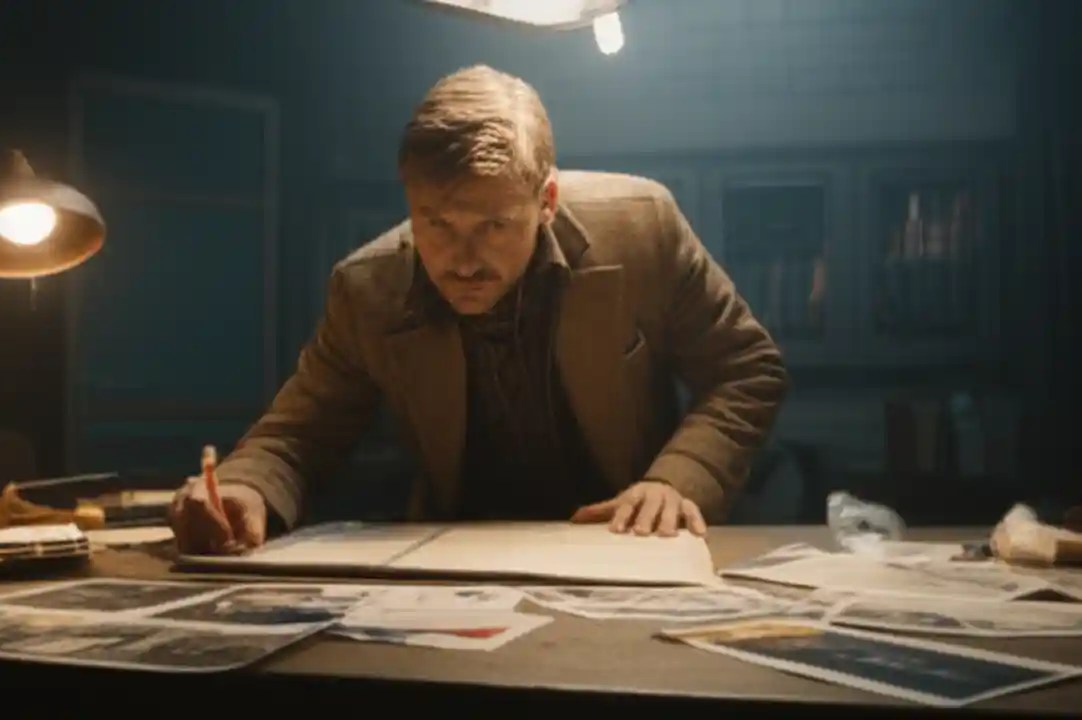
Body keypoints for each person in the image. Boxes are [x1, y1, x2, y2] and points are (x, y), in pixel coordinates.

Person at [170, 65, 789, 554]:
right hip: (455, 567)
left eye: (493, 225)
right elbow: (297, 435)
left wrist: (678, 481)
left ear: (546, 199)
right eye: (435, 224)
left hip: (629, 551)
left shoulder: (641, 227)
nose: (462, 260)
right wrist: (245, 488)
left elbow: (747, 367)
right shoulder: (366, 288)